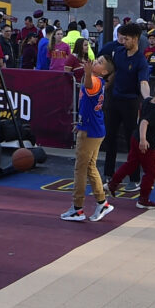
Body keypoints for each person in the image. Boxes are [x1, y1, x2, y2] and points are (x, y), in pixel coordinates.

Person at [62, 55, 115, 222]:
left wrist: (86, 72)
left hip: (90, 131)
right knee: (90, 166)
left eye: (99, 62)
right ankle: (102, 202)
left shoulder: (96, 81)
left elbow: (89, 85)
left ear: (104, 71)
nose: (95, 62)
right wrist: (80, 122)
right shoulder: (97, 80)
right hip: (93, 127)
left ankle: (77, 208)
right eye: (97, 60)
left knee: (80, 169)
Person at [108, 79, 155, 210]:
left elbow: (145, 92)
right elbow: (144, 122)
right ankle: (143, 200)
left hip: (135, 138)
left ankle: (112, 184)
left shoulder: (148, 101)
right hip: (146, 145)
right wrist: (143, 140)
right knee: (152, 172)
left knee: (131, 164)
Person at [101, 22, 151, 180]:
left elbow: (144, 82)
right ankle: (108, 174)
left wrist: (148, 99)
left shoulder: (140, 60)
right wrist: (102, 87)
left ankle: (134, 178)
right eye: (122, 38)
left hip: (130, 103)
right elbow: (112, 72)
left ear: (135, 39)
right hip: (114, 100)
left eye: (127, 39)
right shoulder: (118, 52)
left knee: (131, 141)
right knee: (110, 137)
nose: (123, 41)